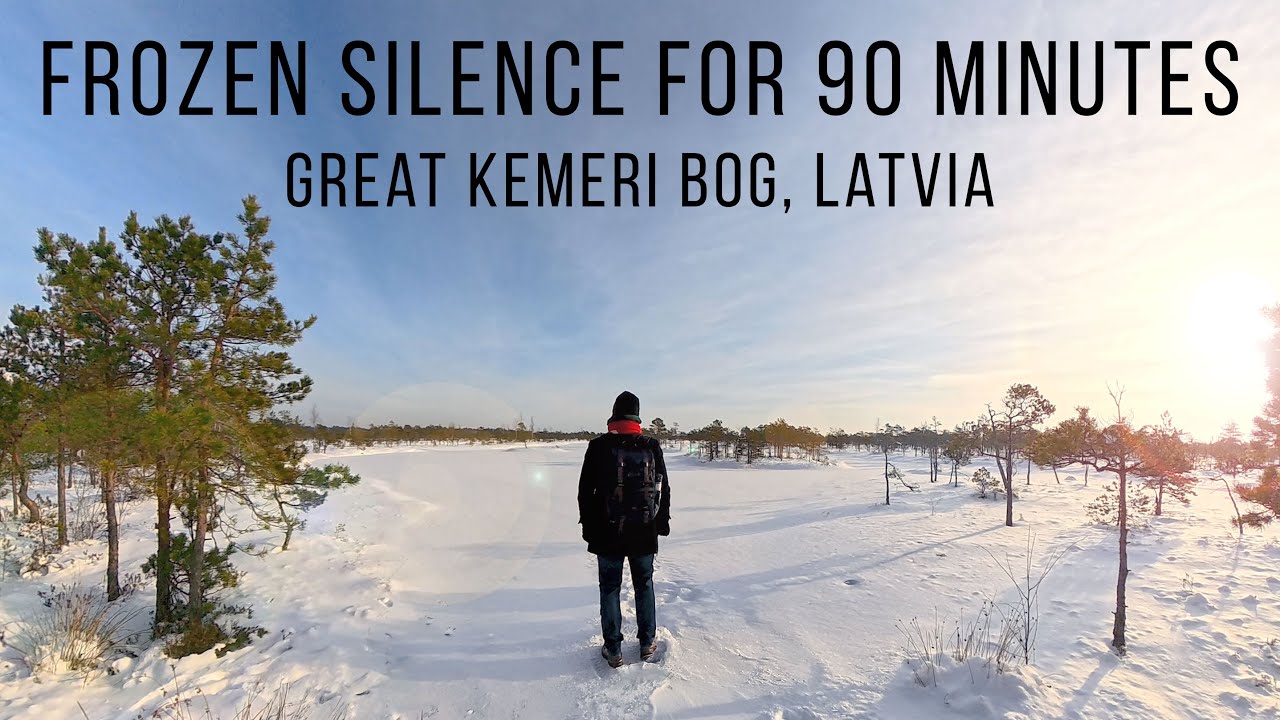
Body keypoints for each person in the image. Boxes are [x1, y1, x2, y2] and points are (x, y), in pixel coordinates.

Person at [577, 391, 671, 667]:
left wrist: (588, 527)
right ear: (637, 416)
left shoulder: (598, 446)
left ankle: (613, 649)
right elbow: (663, 487)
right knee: (644, 585)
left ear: (614, 414)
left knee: (609, 587)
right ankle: (647, 643)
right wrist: (660, 523)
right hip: (644, 529)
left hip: (607, 532)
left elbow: (585, 492)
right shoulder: (651, 445)